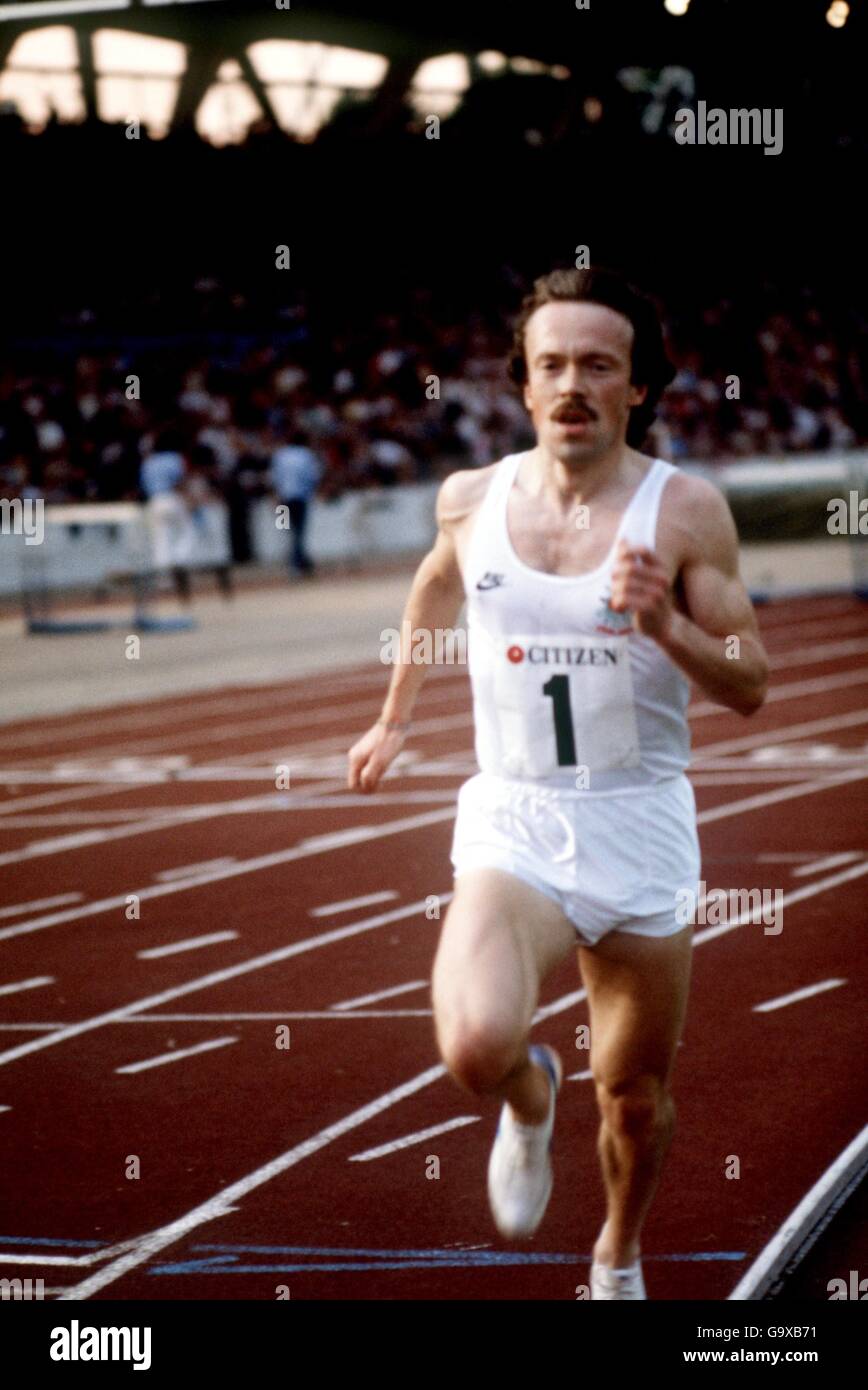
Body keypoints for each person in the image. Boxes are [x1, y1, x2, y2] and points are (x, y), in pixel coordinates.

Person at [347, 268, 769, 1300]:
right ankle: (529, 1094)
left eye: (597, 365)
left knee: (632, 1099)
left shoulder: (685, 511)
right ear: (525, 385)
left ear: (637, 386)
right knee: (474, 1042)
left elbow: (750, 682)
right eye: (552, 365)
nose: (572, 383)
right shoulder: (470, 499)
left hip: (638, 824)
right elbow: (434, 586)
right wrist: (396, 715)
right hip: (516, 818)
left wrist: (664, 626)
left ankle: (617, 1254)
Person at [139, 429, 197, 602]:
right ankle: (179, 559)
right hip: (172, 498)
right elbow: (180, 481)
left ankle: (164, 581)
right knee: (187, 531)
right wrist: (189, 499)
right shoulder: (174, 458)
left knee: (160, 540)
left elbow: (143, 485)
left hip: (154, 501)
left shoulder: (148, 462)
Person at [270, 428, 323, 576]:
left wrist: (275, 496)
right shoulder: (306, 455)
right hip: (300, 498)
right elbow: (312, 477)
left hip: (282, 499)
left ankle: (297, 563)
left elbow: (274, 478)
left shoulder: (280, 455)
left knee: (285, 529)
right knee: (299, 532)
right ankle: (297, 564)